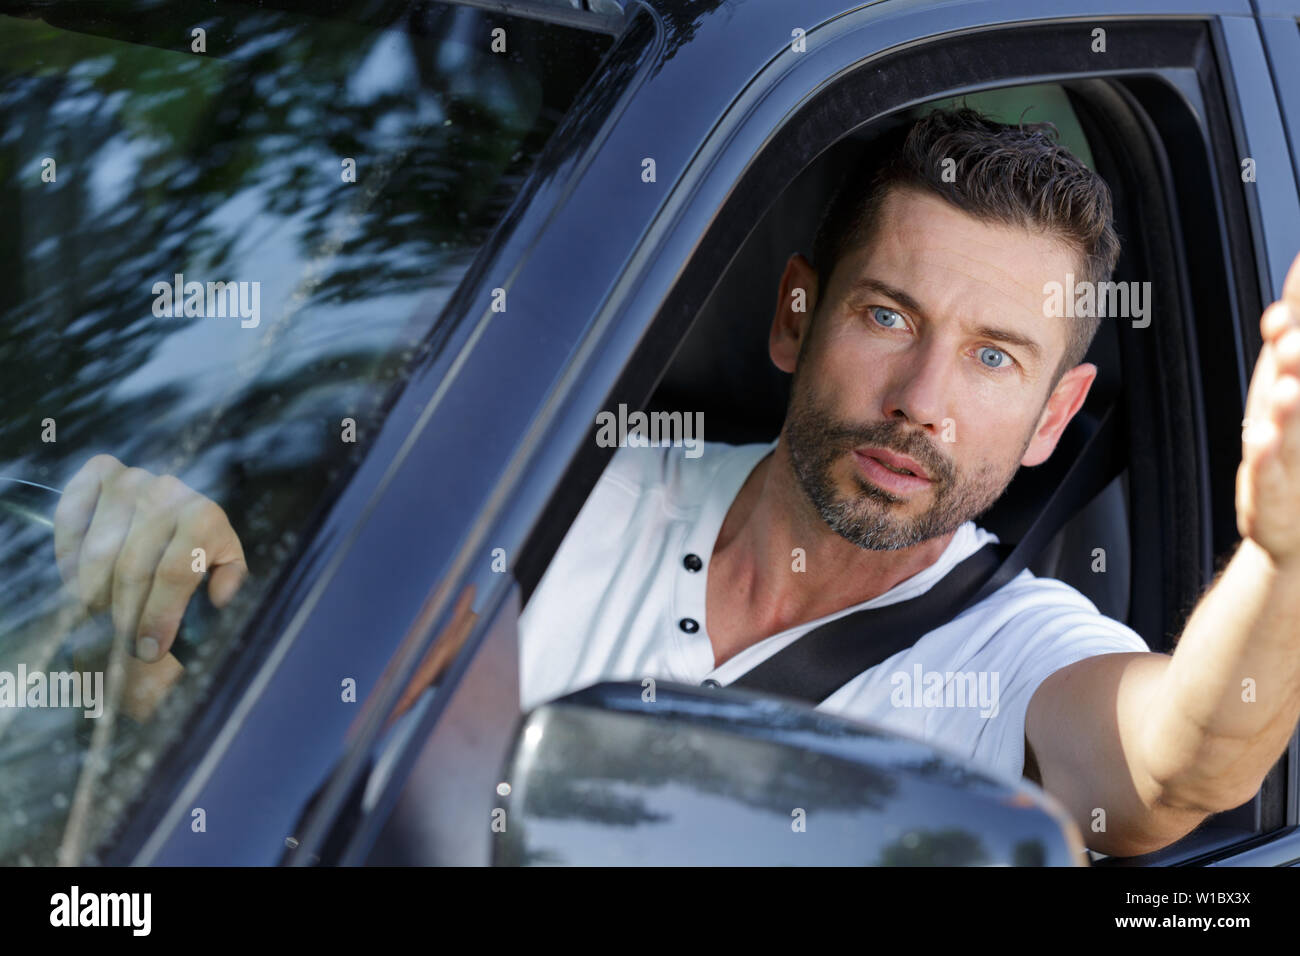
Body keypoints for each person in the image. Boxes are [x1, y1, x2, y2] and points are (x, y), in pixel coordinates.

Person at [53, 109, 1300, 858]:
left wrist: (1283, 555)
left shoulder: (1018, 652)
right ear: (794, 317)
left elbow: (1184, 760)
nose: (922, 396)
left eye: (992, 357)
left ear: (1052, 418)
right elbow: (300, 761)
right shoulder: (556, 486)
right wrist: (162, 596)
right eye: (885, 313)